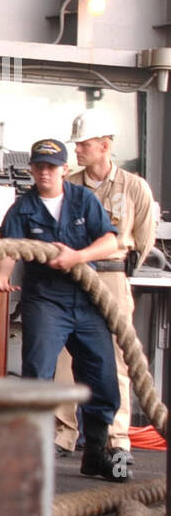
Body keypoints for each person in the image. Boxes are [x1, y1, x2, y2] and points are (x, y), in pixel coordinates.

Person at [0, 138, 129, 482]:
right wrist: (0, 277)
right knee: (38, 372)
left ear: (65, 170)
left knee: (102, 375)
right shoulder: (22, 209)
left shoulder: (84, 200)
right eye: (39, 167)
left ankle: (95, 452)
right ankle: (29, 452)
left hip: (85, 298)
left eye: (52, 167)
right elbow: (10, 248)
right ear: (31, 170)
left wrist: (77, 257)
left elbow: (110, 241)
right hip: (46, 300)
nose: (45, 172)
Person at [52, 109, 158, 460]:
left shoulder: (134, 187)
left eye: (83, 144)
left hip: (112, 275)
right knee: (66, 355)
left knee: (118, 357)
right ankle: (63, 434)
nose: (77, 150)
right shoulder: (69, 187)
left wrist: (116, 271)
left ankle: (117, 438)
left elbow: (141, 240)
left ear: (105, 146)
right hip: (72, 278)